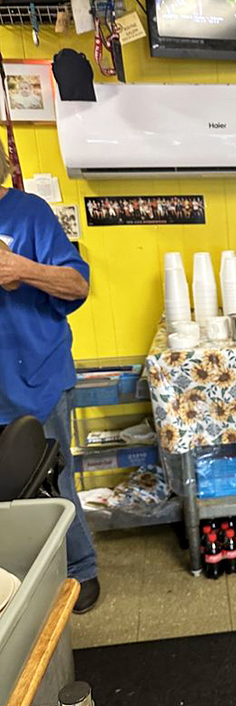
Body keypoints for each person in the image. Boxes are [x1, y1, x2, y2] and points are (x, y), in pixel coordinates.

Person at [0, 139, 99, 613]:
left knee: (52, 483)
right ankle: (17, 585)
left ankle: (80, 571)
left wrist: (22, 268)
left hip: (36, 380)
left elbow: (77, 283)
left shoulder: (28, 214)